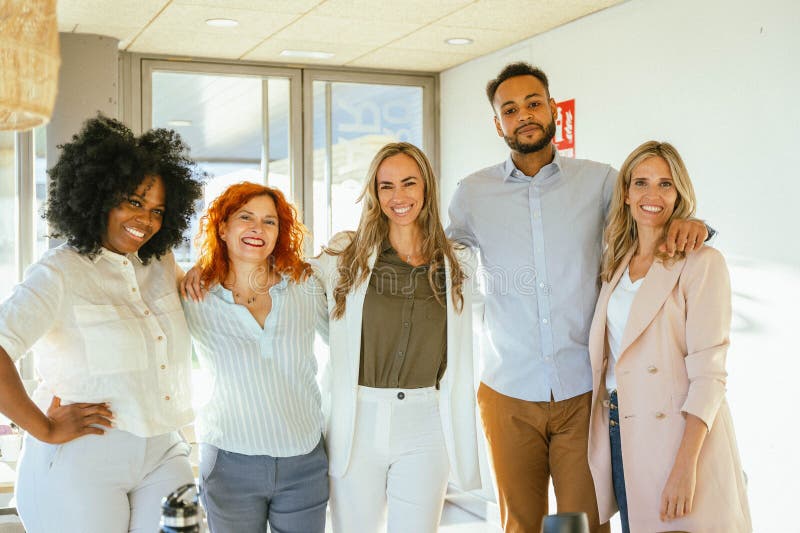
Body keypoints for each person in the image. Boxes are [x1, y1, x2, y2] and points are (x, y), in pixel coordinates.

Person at [446, 62, 710, 533]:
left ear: (552, 108)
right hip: (508, 390)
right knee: (520, 524)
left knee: (586, 523)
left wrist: (695, 224)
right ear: (498, 124)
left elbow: (648, 212)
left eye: (533, 103)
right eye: (510, 110)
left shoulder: (601, 181)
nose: (524, 116)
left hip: (583, 392)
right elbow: (445, 259)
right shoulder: (472, 194)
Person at [0, 115, 203, 532]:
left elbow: (204, 305)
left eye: (157, 210)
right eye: (134, 202)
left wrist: (210, 271)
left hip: (165, 449)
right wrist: (43, 428)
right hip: (82, 456)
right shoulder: (59, 272)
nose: (146, 220)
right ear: (99, 196)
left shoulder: (161, 263)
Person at [314, 142, 481, 532]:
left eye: (409, 183)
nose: (398, 196)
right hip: (358, 418)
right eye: (386, 186)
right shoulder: (345, 253)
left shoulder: (457, 261)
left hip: (426, 421)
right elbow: (294, 287)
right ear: (375, 193)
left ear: (426, 187)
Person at [587, 141, 751, 532]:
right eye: (641, 183)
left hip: (682, 437)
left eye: (665, 184)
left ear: (679, 193)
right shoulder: (616, 262)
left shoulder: (703, 263)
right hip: (623, 429)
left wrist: (685, 466)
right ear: (626, 193)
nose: (653, 195)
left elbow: (710, 376)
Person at [181, 183, 329, 533]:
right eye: (245, 218)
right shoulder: (196, 295)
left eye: (269, 221)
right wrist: (196, 267)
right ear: (222, 228)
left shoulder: (305, 285)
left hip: (304, 462)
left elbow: (347, 340)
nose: (257, 229)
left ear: (280, 231)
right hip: (229, 463)